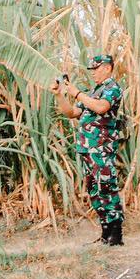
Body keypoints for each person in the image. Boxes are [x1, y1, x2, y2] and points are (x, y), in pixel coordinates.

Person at [52, 53, 125, 246]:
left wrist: (76, 93)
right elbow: (71, 113)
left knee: (107, 187)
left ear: (107, 68)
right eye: (91, 70)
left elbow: (101, 108)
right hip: (87, 149)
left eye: (96, 69)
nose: (93, 73)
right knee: (94, 190)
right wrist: (59, 94)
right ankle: (105, 232)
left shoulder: (112, 88)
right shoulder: (92, 91)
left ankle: (115, 235)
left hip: (102, 148)